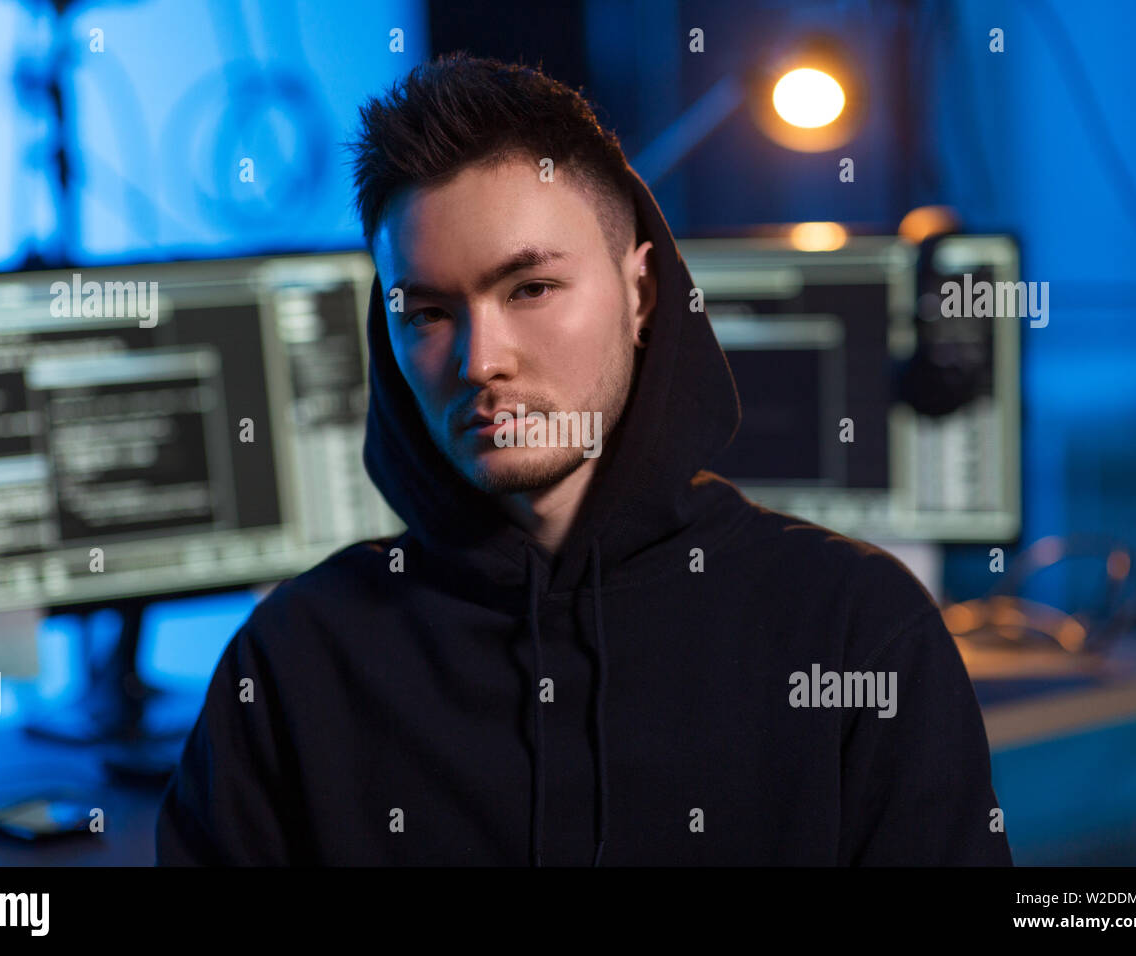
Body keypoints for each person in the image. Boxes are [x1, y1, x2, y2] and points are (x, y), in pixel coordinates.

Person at [156, 52, 1013, 866]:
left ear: (641, 292)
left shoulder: (856, 633)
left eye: (529, 289)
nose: (480, 360)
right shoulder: (292, 663)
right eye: (426, 312)